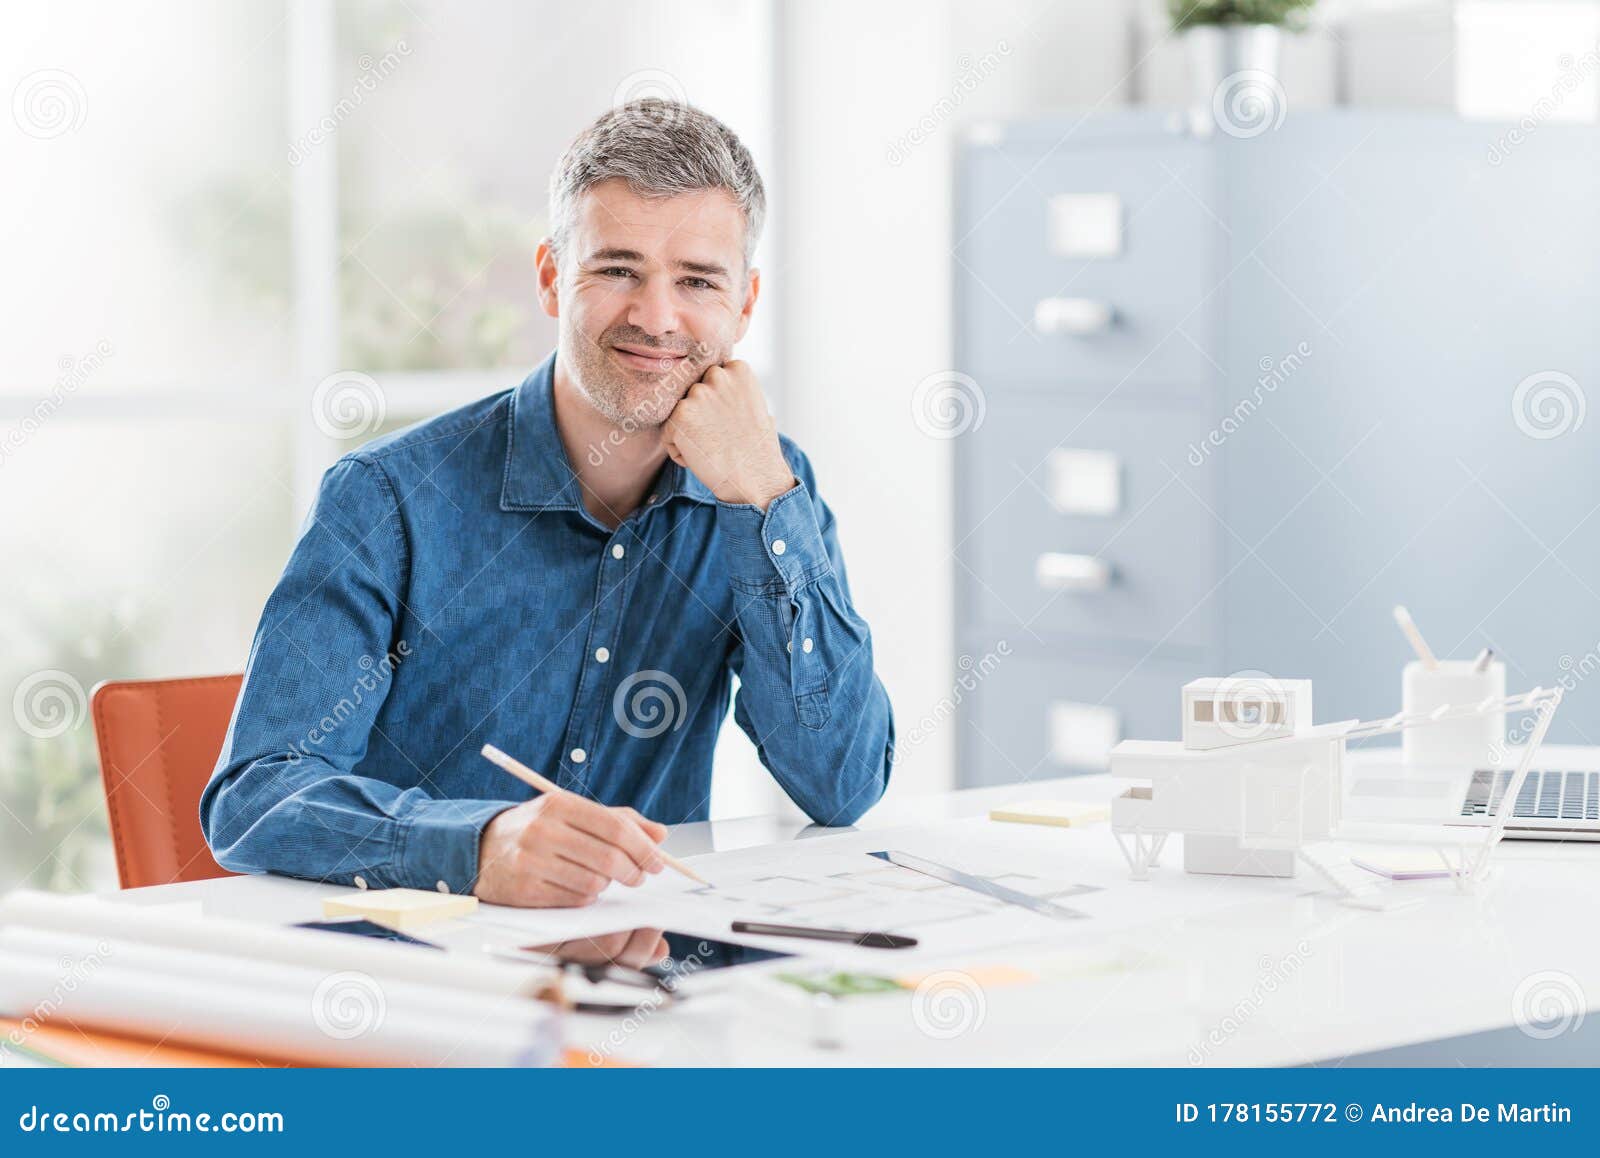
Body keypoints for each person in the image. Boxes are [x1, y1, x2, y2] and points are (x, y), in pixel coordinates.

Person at [200, 100, 895, 908]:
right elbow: (255, 798)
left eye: (698, 281)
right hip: (424, 973)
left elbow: (841, 783)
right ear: (549, 278)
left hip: (644, 981)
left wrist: (764, 501)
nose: (656, 317)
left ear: (744, 305)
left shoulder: (767, 486)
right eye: (617, 269)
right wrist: (475, 846)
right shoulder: (390, 498)